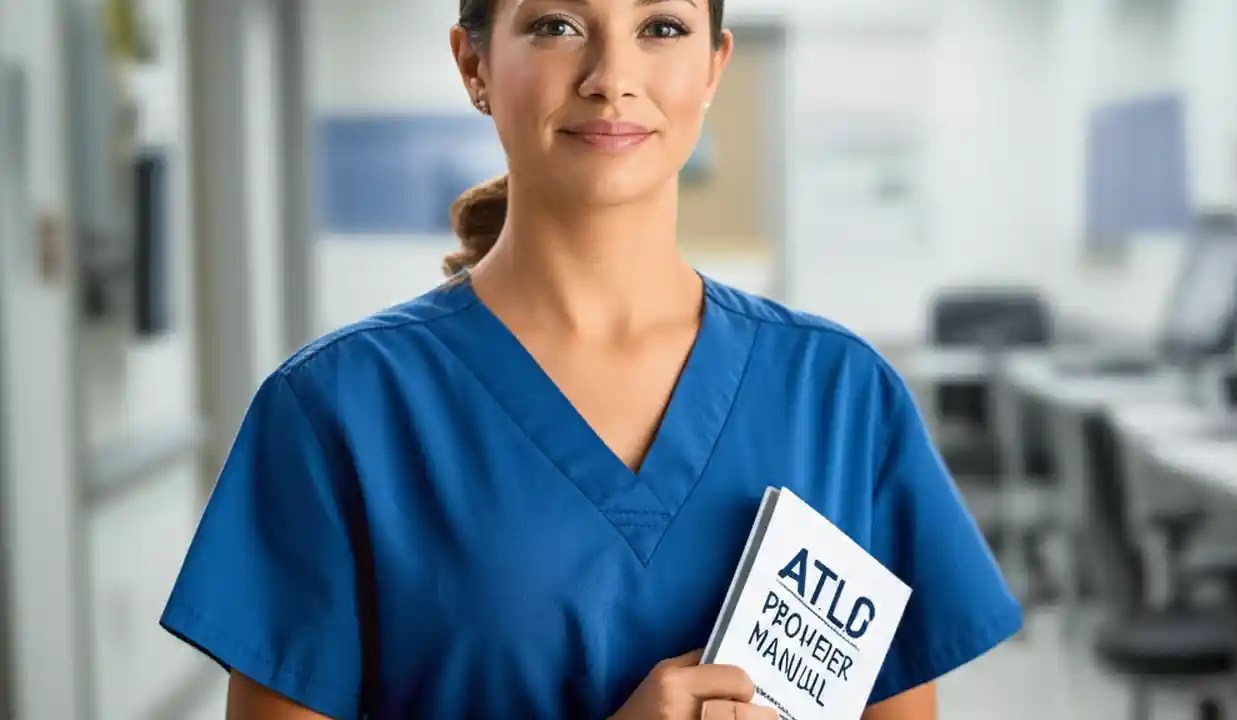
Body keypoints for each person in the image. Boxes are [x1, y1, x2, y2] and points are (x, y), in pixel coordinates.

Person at [159, 0, 1023, 717]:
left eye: (662, 27)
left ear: (714, 66)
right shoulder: (337, 412)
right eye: (556, 24)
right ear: (474, 65)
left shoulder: (841, 397)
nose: (613, 76)